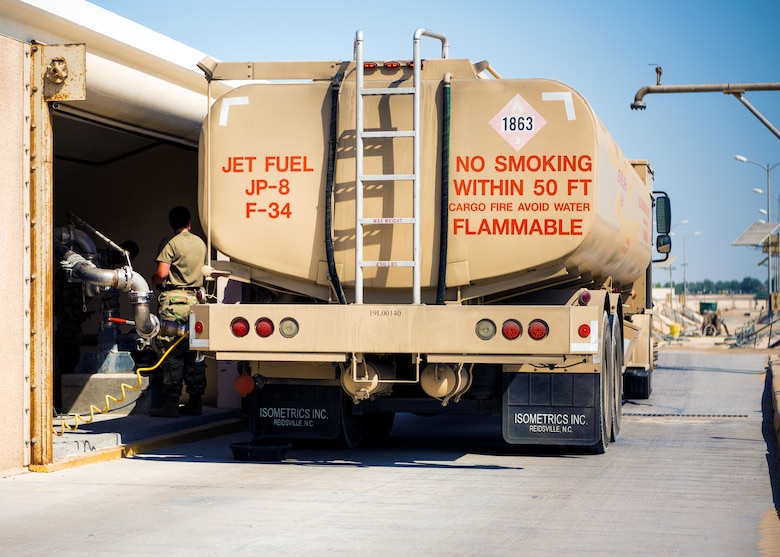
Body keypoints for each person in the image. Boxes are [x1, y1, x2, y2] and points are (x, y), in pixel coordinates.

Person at [150, 206, 207, 418]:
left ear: (171, 223)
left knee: (171, 352)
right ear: (189, 222)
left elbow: (162, 273)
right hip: (196, 302)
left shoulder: (170, 243)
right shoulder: (200, 243)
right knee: (195, 351)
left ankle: (171, 404)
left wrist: (155, 280)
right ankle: (196, 402)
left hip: (174, 304)